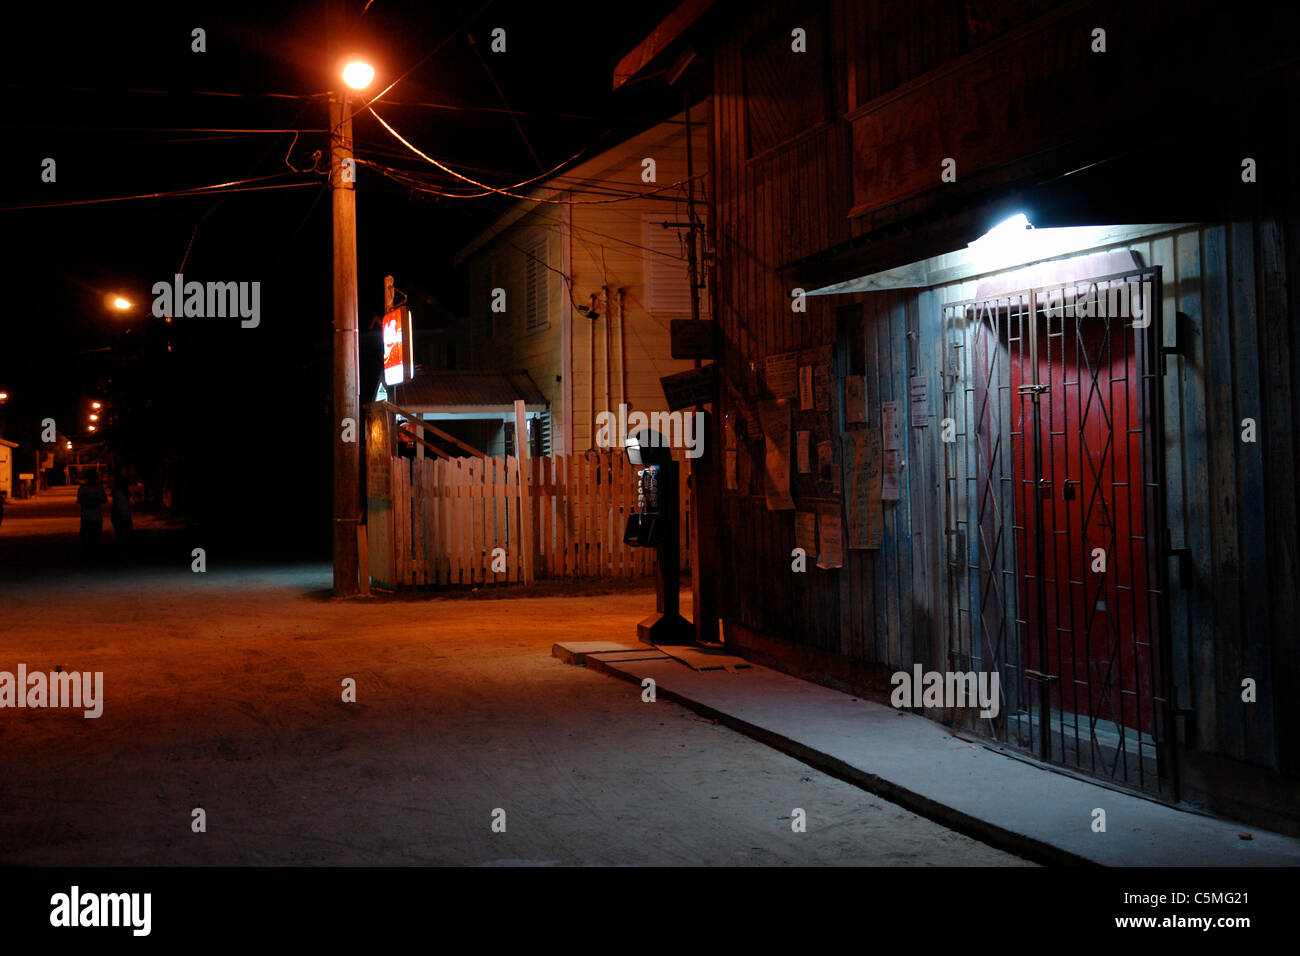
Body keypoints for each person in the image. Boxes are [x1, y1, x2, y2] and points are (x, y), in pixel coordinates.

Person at [77, 471, 107, 559]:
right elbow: (79, 500)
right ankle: (87, 554)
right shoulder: (83, 488)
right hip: (87, 516)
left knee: (95, 536)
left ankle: (94, 554)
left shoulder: (99, 488)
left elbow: (104, 500)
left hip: (95, 517)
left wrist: (94, 500)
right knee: (86, 537)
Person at [110, 473, 133, 547]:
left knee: (119, 534)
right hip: (123, 515)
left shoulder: (118, 493)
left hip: (119, 515)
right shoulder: (121, 493)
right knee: (125, 534)